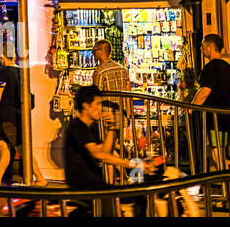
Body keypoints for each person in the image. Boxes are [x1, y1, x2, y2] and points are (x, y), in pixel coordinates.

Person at [64, 85, 162, 217]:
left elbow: (104, 150)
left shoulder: (88, 128)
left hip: (95, 185)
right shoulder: (77, 127)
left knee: (137, 194)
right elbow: (98, 154)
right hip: (86, 187)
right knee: (131, 197)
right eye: (97, 104)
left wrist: (111, 128)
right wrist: (132, 164)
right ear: (86, 106)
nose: (100, 108)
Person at [192, 33, 230, 170]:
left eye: (203, 47)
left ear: (209, 48)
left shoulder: (210, 68)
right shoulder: (228, 67)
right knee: (222, 153)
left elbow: (204, 91)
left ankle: (228, 186)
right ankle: (229, 185)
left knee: (216, 152)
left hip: (214, 118)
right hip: (227, 118)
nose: (201, 50)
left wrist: (191, 108)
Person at [0, 49, 22, 185]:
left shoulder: (4, 72)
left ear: (2, 57)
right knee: (3, 146)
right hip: (17, 114)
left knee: (21, 148)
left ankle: (40, 178)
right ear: (14, 56)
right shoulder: (21, 72)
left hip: (6, 116)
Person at [92, 40, 130, 134]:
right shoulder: (122, 69)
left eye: (94, 51)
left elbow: (96, 96)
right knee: (120, 144)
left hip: (107, 118)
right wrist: (128, 114)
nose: (93, 53)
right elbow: (128, 93)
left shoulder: (99, 71)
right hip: (122, 116)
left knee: (107, 146)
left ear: (101, 52)